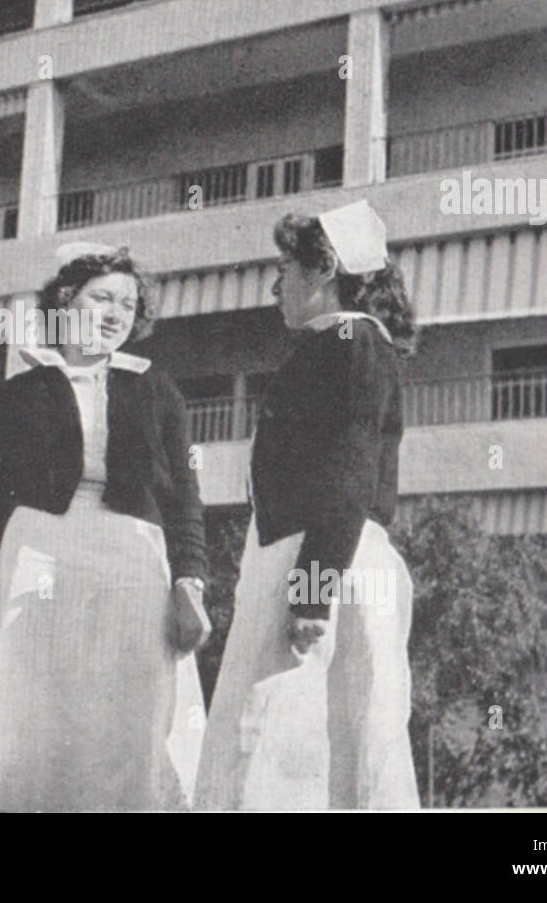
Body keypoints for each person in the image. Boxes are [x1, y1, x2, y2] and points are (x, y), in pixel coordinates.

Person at [0, 243, 211, 811]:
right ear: (65, 301)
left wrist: (190, 580)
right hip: (38, 556)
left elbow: (184, 495)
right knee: (36, 715)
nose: (117, 313)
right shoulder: (19, 392)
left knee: (127, 716)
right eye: (102, 298)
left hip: (133, 560)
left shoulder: (156, 387)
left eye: (129, 303)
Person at [195, 200, 420, 811]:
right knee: (294, 743)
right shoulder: (335, 345)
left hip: (325, 562)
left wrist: (312, 592)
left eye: (285, 268)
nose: (275, 284)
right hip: (313, 557)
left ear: (321, 272)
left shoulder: (351, 344)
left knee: (295, 741)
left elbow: (349, 477)